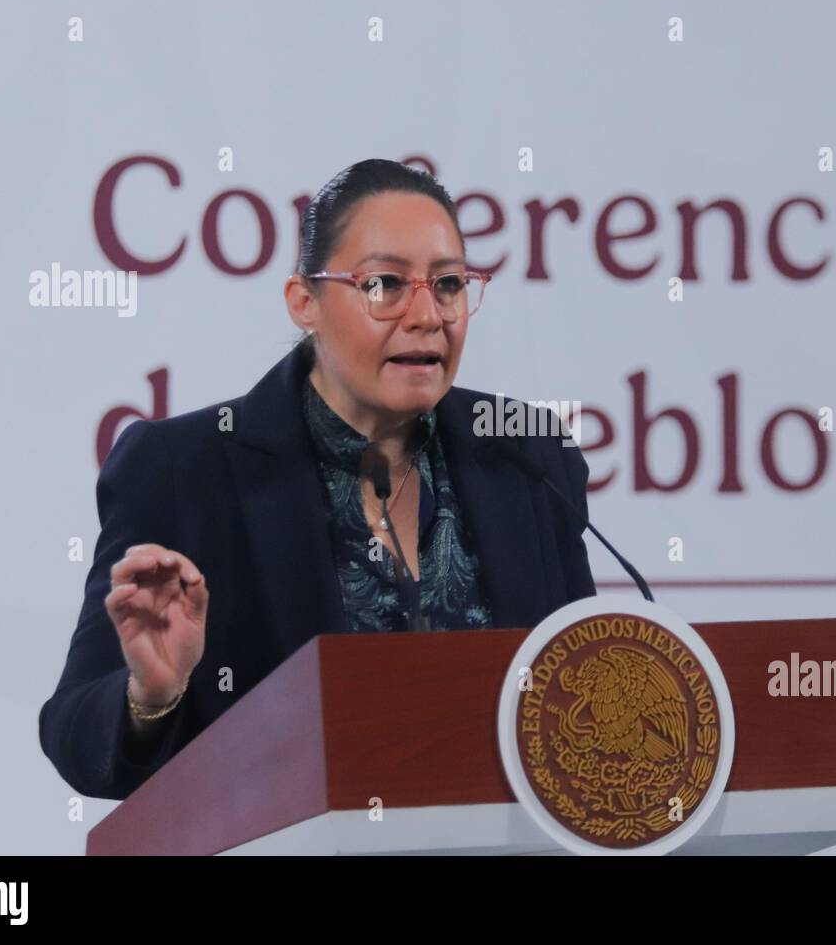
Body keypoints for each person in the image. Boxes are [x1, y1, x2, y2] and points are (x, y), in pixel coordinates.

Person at [38, 159, 596, 800]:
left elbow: (578, 691)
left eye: (447, 284)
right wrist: (152, 696)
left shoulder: (526, 455)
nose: (426, 314)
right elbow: (73, 732)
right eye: (385, 283)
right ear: (304, 301)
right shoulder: (185, 471)